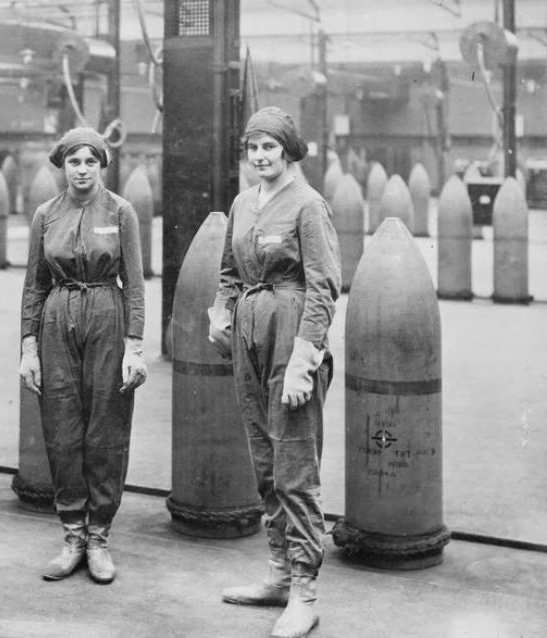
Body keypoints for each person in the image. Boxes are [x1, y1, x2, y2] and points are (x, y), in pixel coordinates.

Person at [208, 107, 341, 638]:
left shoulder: (310, 207)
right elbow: (227, 271)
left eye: (270, 148)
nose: (260, 157)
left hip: (291, 337)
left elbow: (324, 287)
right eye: (253, 148)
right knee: (264, 460)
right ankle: (279, 574)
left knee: (294, 465)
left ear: (288, 151)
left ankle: (305, 592)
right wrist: (222, 313)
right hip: (249, 337)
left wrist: (303, 363)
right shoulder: (243, 203)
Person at [19, 127, 147, 585]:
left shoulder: (121, 211)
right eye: (74, 161)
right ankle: (72, 533)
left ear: (101, 166)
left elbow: (134, 284)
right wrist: (28, 347)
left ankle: (99, 537)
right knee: (62, 428)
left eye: (90, 161)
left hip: (106, 317)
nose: (81, 169)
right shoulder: (45, 215)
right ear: (63, 166)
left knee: (106, 428)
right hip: (56, 319)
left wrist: (134, 346)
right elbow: (34, 285)